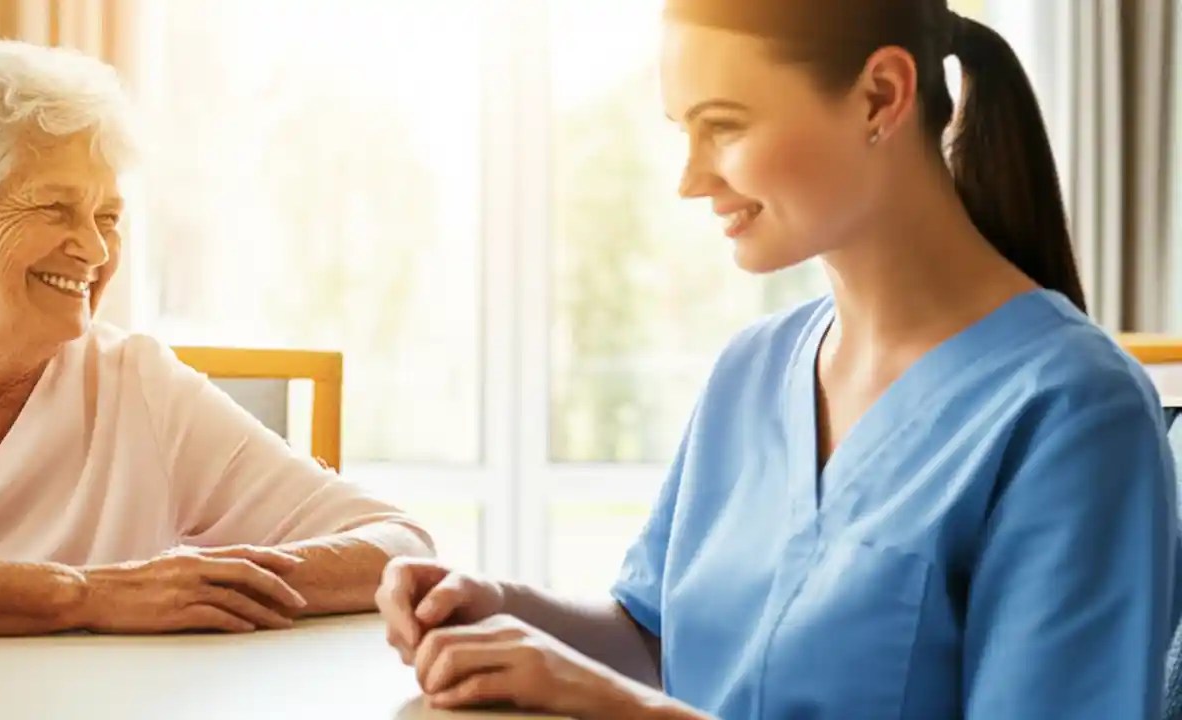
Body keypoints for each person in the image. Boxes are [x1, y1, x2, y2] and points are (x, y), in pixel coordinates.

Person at [375, 1, 1179, 718]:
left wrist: (619, 710)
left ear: (881, 96)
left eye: (723, 125)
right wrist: (498, 607)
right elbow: (660, 638)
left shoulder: (1076, 415)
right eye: (681, 130)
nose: (690, 179)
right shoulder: (751, 371)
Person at [0, 41, 432, 637]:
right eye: (55, 207)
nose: (96, 250)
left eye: (107, 217)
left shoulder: (140, 389)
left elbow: (402, 548)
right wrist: (86, 595)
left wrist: (209, 584)